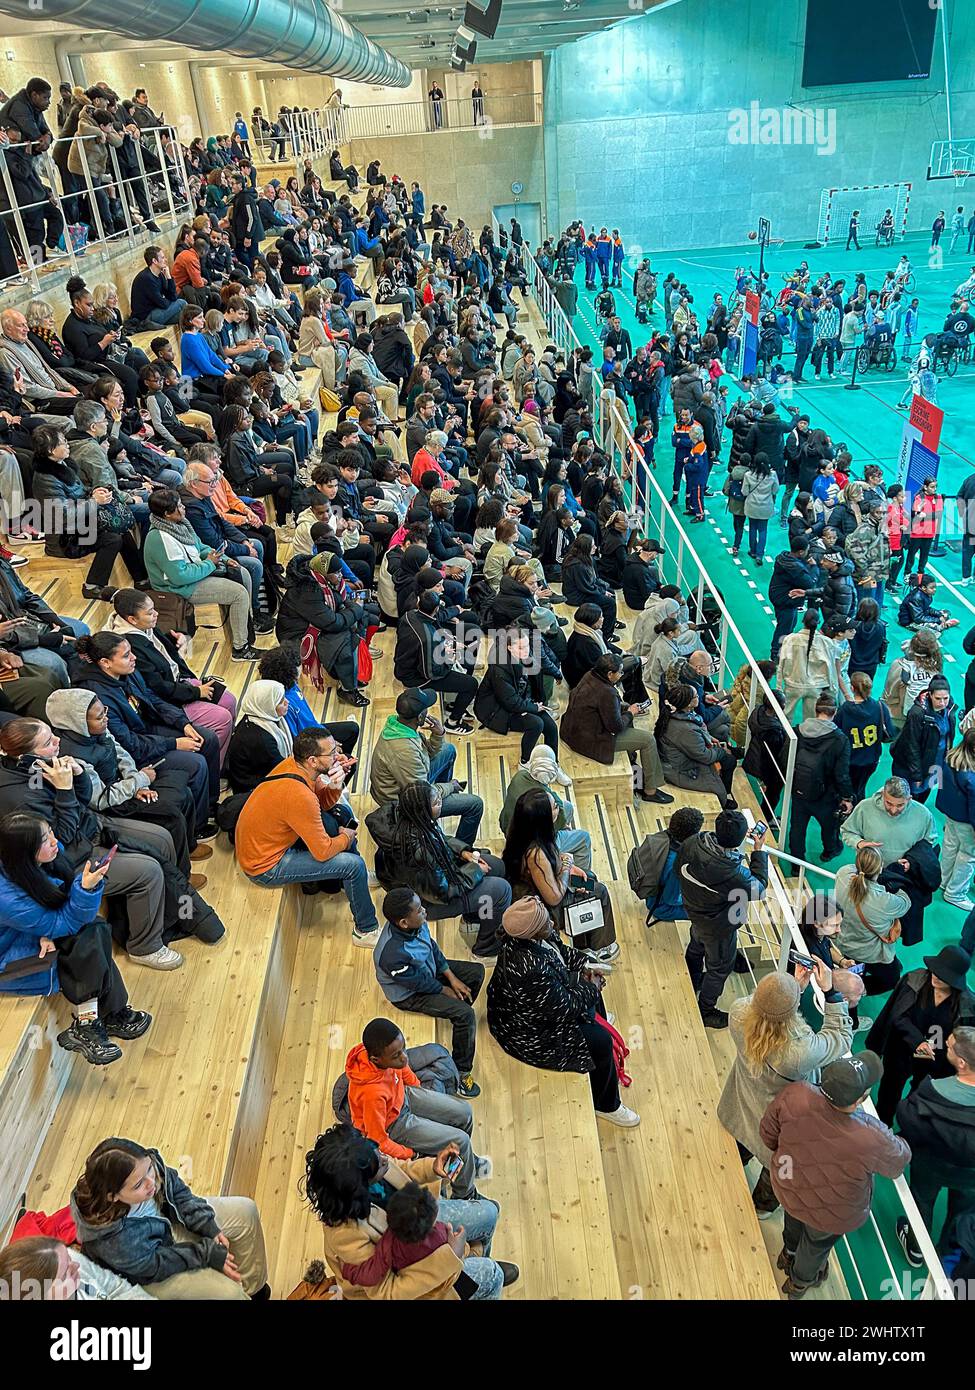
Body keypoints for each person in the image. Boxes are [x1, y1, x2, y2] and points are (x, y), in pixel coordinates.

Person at [0, 811, 151, 1066]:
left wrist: (47, 931)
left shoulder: (27, 864)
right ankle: (89, 1022)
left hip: (25, 935)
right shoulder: (7, 897)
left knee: (94, 928)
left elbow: (55, 917)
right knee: (86, 932)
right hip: (9, 962)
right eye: (45, 840)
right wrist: (86, 889)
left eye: (50, 832)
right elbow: (65, 922)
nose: (54, 841)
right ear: (25, 852)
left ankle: (108, 1014)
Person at [303, 1123, 511, 1300]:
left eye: (377, 1151)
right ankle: (478, 1267)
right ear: (360, 1185)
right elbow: (387, 1292)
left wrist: (432, 1167)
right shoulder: (345, 1235)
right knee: (494, 1276)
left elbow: (401, 1169)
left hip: (416, 1223)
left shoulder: (369, 1162)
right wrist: (450, 1257)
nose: (385, 1159)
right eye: (379, 1164)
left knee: (490, 1214)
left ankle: (476, 1260)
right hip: (409, 1268)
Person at [760, 1052, 910, 1298]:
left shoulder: (796, 1093)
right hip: (832, 1212)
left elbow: (768, 1133)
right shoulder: (873, 1136)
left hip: (789, 1184)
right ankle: (798, 1283)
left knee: (794, 1217)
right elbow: (898, 1161)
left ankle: (788, 1253)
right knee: (816, 1246)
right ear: (862, 1097)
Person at [487, 895, 638, 1126]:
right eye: (546, 923)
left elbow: (563, 954)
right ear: (533, 932)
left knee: (586, 985)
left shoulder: (538, 936)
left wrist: (587, 966)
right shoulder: (528, 966)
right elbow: (563, 1009)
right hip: (525, 1029)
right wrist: (591, 988)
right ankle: (606, 1105)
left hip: (543, 1004)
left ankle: (597, 1019)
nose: (552, 925)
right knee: (600, 1042)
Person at [718, 965, 853, 1218]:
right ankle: (761, 1207)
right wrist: (831, 992)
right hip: (777, 1125)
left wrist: (790, 990)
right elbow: (841, 1037)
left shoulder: (737, 1013)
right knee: (775, 1165)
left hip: (744, 1099)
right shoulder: (798, 1053)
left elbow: (762, 1006)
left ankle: (734, 1164)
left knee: (742, 1137)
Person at [70, 1137, 268, 1299]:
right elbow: (157, 1264)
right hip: (148, 1272)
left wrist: (207, 1224)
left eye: (149, 1169)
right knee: (229, 1295)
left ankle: (255, 1292)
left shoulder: (143, 1165)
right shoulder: (114, 1241)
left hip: (165, 1224)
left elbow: (179, 1193)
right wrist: (207, 1254)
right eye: (138, 1185)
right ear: (113, 1196)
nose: (151, 1183)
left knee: (246, 1212)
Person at [235, 725, 380, 946]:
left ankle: (348, 883)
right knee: (354, 865)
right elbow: (322, 852)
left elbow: (320, 803)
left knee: (343, 817)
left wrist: (336, 785)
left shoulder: (293, 765)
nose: (338, 756)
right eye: (331, 753)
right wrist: (346, 837)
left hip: (267, 843)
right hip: (265, 866)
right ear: (312, 760)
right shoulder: (299, 795)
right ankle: (365, 930)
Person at [344, 1018, 484, 1200]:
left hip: (404, 1095)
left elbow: (402, 1069)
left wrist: (419, 1089)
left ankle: (462, 1164)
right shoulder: (372, 1094)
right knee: (461, 1140)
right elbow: (377, 1139)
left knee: (465, 1112)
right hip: (394, 1124)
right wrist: (411, 1153)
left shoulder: (383, 1053)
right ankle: (465, 1194)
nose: (404, 1057)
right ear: (375, 1059)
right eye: (396, 1056)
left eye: (403, 1049)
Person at [374, 888, 484, 1098]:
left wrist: (451, 978)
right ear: (404, 923)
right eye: (418, 910)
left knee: (476, 972)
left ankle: (460, 1019)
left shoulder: (415, 923)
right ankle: (461, 1073)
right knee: (466, 1015)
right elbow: (417, 983)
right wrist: (445, 990)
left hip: (427, 969)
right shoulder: (391, 954)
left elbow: (432, 947)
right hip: (410, 994)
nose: (424, 911)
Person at [106, 590, 237, 765]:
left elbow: (159, 654)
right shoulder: (130, 645)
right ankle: (215, 765)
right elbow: (157, 687)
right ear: (132, 619)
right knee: (222, 719)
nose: (156, 614)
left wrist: (175, 641)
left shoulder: (144, 628)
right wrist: (197, 692)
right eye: (150, 612)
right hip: (169, 699)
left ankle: (229, 753)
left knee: (229, 700)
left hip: (181, 681)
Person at [502, 785, 618, 961]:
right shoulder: (536, 854)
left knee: (589, 878)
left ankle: (583, 943)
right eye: (555, 807)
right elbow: (554, 897)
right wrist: (567, 865)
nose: (558, 806)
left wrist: (566, 866)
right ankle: (599, 948)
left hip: (539, 887)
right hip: (543, 907)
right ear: (544, 818)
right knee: (598, 891)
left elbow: (549, 863)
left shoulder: (522, 832)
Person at [142, 490, 259, 664]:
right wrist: (210, 564)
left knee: (242, 572)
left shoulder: (180, 524)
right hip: (178, 588)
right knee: (239, 593)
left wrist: (225, 559)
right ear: (167, 514)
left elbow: (200, 547)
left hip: (195, 573)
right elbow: (180, 576)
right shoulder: (159, 538)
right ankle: (240, 648)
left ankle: (248, 624)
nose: (183, 508)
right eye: (179, 506)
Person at [678, 810, 769, 1029]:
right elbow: (759, 889)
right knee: (719, 969)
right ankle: (706, 1010)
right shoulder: (733, 874)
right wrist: (758, 852)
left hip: (695, 908)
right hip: (718, 925)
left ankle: (693, 976)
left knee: (697, 942)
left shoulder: (692, 842)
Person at [867, 945, 975, 1125]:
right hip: (901, 1049)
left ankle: (908, 1125)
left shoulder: (967, 1006)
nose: (935, 976)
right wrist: (917, 1041)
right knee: (889, 1089)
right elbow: (898, 1015)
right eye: (935, 970)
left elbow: (963, 1039)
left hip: (937, 1061)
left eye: (943, 975)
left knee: (921, 1095)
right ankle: (882, 1121)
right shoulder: (914, 982)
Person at [896, 1026, 975, 1266]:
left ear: (961, 1063)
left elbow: (906, 1118)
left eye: (949, 1045)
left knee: (922, 1202)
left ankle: (917, 1249)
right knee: (962, 1212)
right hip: (970, 1174)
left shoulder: (933, 1092)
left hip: (929, 1165)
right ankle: (947, 1252)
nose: (944, 1045)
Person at [370, 688, 484, 844]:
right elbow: (421, 795)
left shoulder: (398, 725)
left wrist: (438, 734)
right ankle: (461, 851)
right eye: (426, 709)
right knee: (475, 805)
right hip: (402, 803)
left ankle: (436, 809)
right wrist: (449, 786)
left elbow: (425, 754)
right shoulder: (404, 750)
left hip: (411, 783)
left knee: (448, 750)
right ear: (420, 717)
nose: (429, 711)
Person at [561, 653, 672, 803]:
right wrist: (631, 712)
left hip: (572, 730)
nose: (621, 674)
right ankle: (650, 791)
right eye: (619, 672)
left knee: (626, 712)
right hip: (591, 740)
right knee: (647, 740)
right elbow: (616, 726)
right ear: (609, 674)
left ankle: (633, 763)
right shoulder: (607, 692)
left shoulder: (590, 675)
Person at [498, 743, 592, 871]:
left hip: (510, 831)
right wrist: (562, 824)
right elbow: (554, 824)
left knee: (567, 807)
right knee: (583, 838)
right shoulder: (547, 801)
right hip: (534, 847)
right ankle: (579, 881)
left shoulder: (518, 777)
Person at [473, 628, 558, 763]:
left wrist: (535, 703)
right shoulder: (499, 668)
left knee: (551, 727)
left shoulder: (525, 658)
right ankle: (525, 762)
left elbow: (533, 684)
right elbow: (510, 702)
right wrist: (533, 708)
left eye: (526, 646)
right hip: (497, 711)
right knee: (536, 724)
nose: (525, 650)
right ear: (509, 648)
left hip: (520, 700)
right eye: (520, 647)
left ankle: (553, 762)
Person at [834, 847, 907, 1003]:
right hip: (870, 953)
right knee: (892, 979)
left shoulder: (843, 874)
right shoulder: (884, 901)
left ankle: (850, 995)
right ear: (880, 868)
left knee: (853, 975)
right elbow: (905, 902)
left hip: (844, 943)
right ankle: (859, 992)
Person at [788, 692, 853, 867]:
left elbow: (785, 759)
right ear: (835, 712)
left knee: (797, 829)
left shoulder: (797, 731)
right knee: (829, 827)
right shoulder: (840, 740)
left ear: (815, 710)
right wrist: (847, 797)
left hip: (799, 790)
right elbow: (842, 774)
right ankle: (829, 852)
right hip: (826, 795)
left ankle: (796, 864)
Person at [655, 682, 736, 809]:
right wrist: (721, 751)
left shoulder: (676, 714)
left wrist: (709, 737)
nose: (699, 696)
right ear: (688, 704)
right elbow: (705, 756)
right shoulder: (685, 729)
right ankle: (724, 801)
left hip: (683, 757)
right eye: (696, 696)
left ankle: (725, 792)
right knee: (729, 760)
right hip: (681, 769)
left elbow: (698, 731)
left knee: (728, 757)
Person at [890, 676, 955, 804]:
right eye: (938, 698)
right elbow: (912, 745)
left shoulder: (950, 708)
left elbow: (949, 736)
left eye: (945, 698)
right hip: (915, 766)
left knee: (926, 793)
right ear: (930, 694)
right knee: (908, 798)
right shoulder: (917, 713)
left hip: (936, 762)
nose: (942, 703)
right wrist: (917, 775)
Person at [936, 728, 975, 911]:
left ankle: (943, 880)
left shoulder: (951, 757)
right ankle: (956, 893)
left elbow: (940, 783)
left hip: (950, 813)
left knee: (950, 846)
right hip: (967, 820)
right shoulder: (971, 777)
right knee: (969, 855)